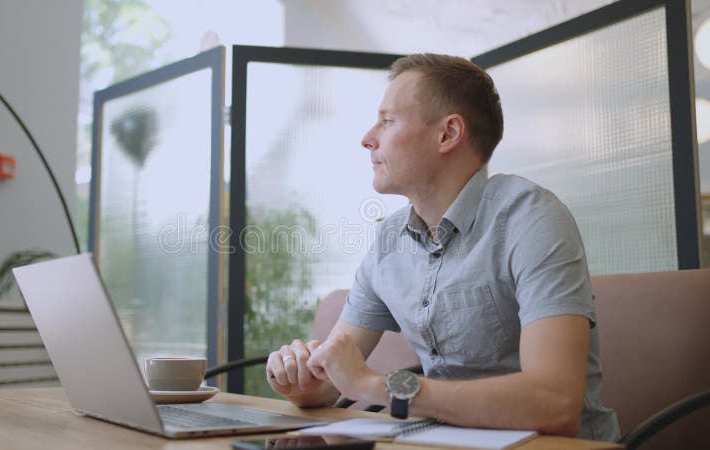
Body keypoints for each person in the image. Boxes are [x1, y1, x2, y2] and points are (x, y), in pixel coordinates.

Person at [264, 53, 620, 442]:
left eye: (387, 120)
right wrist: (297, 378)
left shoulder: (531, 218)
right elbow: (332, 381)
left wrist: (380, 387)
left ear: (448, 133)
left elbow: (556, 405)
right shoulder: (389, 240)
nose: (367, 138)